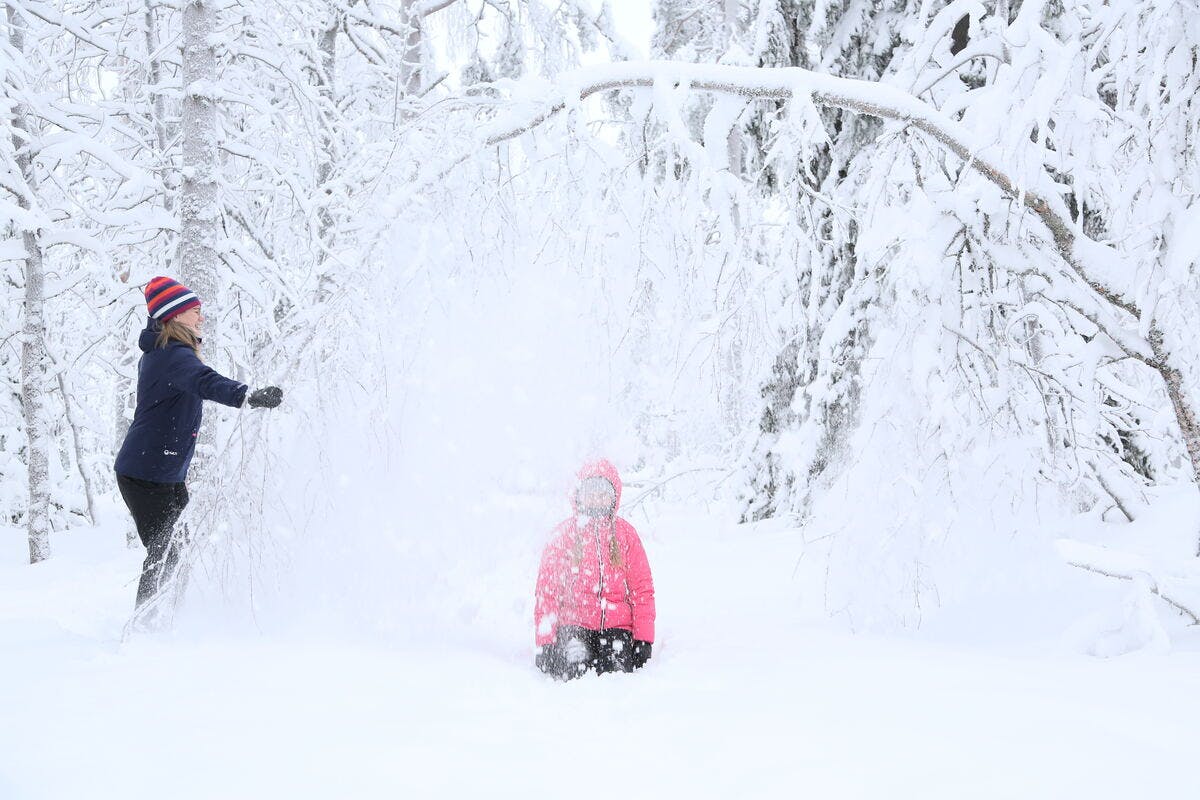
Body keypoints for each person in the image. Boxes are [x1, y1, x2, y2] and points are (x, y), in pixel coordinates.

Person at [114, 276, 283, 610]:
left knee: (178, 549)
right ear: (175, 315)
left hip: (163, 471)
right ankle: (145, 629)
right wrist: (248, 395)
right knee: (165, 553)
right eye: (194, 310)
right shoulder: (170, 355)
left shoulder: (169, 353)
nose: (201, 317)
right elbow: (205, 381)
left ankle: (167, 616)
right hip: (146, 473)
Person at [534, 459, 656, 680]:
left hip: (617, 627)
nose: (597, 499)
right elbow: (547, 592)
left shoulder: (625, 535)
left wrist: (643, 638)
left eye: (604, 493)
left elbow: (642, 589)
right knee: (573, 672)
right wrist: (545, 641)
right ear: (579, 495)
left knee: (616, 674)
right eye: (591, 492)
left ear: (614, 496)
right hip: (573, 626)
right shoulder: (564, 535)